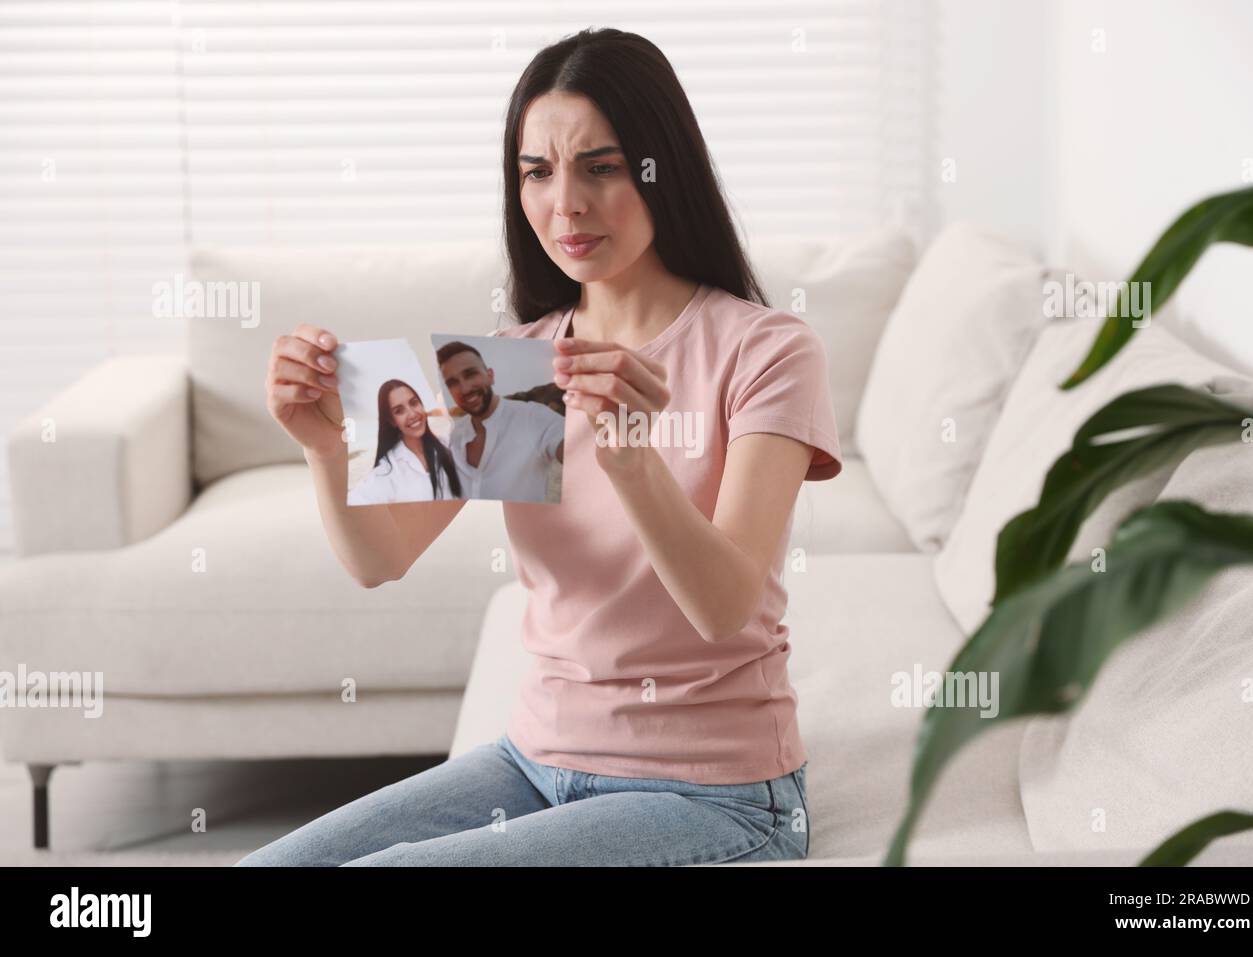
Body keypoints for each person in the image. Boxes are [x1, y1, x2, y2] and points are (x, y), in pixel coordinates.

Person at [253, 26, 841, 867]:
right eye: (538, 171)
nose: (564, 202)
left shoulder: (767, 351)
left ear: (658, 167)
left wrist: (631, 459)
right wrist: (321, 446)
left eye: (599, 166)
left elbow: (724, 608)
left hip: (715, 796)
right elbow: (379, 557)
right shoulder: (521, 361)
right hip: (535, 762)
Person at [434, 340, 565, 503]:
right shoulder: (452, 435)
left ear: (490, 376)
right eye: (453, 383)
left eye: (470, 374)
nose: (465, 388)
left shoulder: (532, 417)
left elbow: (575, 454)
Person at [346, 379, 463, 505]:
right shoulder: (388, 470)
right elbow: (354, 502)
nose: (412, 414)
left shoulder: (447, 444)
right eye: (399, 411)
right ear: (392, 421)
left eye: (414, 403)